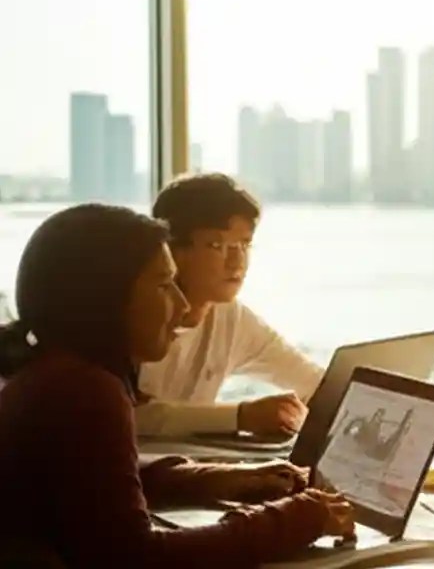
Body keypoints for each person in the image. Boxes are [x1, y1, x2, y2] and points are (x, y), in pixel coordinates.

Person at [0, 205, 354, 567]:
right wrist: (298, 519)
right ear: (106, 297)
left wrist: (220, 479)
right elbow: (138, 558)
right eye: (163, 284)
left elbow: (98, 484)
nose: (182, 305)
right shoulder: (85, 391)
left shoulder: (50, 373)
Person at [136, 173, 324, 437]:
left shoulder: (231, 317)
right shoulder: (135, 313)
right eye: (217, 245)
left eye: (244, 244)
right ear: (172, 249)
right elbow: (128, 415)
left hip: (190, 459)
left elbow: (314, 382)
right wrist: (241, 416)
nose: (237, 261)